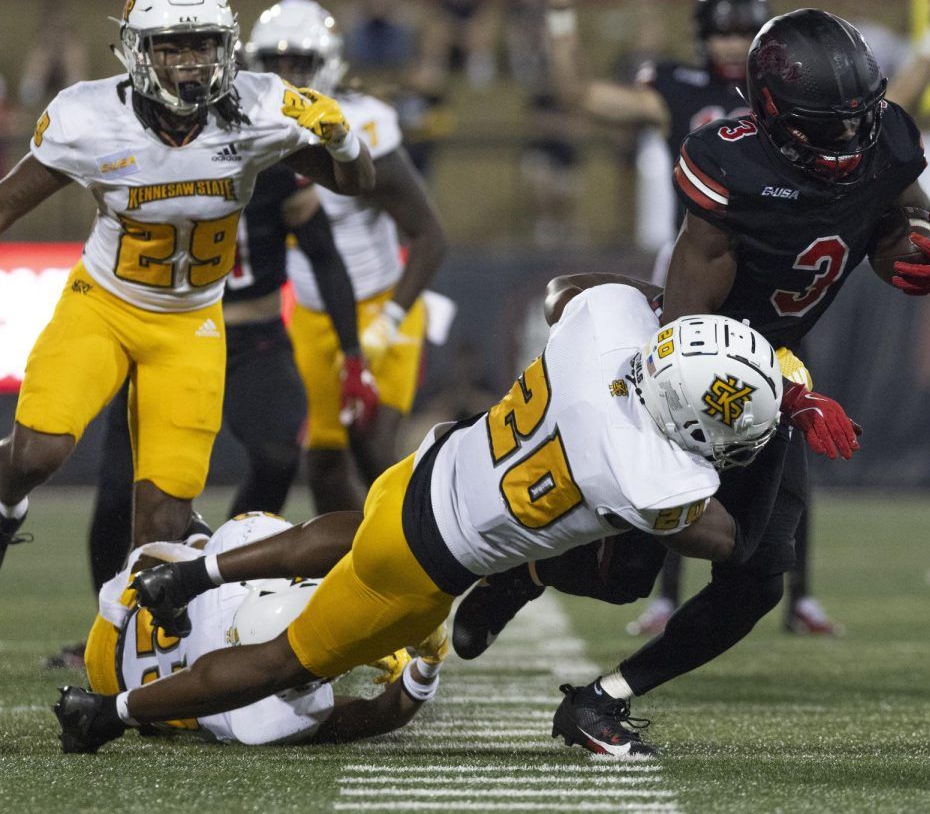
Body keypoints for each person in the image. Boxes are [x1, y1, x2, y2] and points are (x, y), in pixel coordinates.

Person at [454, 10, 930, 756]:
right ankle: (528, 566)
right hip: (693, 374)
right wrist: (790, 391)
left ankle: (601, 702)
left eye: (858, 120)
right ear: (770, 117)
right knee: (629, 573)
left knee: (760, 576)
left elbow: (895, 209)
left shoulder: (886, 136)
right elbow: (686, 339)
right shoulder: (733, 169)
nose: (849, 140)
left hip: (773, 368)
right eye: (825, 127)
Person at [52, 286, 783, 757]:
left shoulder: (609, 326)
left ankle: (194, 574)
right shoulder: (640, 471)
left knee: (348, 531)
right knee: (284, 663)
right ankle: (109, 713)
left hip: (431, 466)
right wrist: (775, 441)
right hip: (426, 565)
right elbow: (725, 539)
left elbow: (565, 296)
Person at [543, 0, 930, 638]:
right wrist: (560, 15)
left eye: (745, 30)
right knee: (679, 424)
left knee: (788, 426)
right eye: (721, 30)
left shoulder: (817, 95)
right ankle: (660, 587)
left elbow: (888, 113)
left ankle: (792, 588)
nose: (733, 43)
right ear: (701, 35)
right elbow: (580, 97)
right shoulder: (679, 92)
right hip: (702, 261)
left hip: (779, 270)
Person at [0, 0, 374, 573]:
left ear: (225, 48)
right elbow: (7, 204)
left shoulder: (260, 108)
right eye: (170, 45)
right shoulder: (88, 117)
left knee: (162, 526)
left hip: (191, 323)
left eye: (202, 44)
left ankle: (134, 654)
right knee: (38, 451)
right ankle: (3, 500)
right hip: (104, 306)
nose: (189, 61)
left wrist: (343, 142)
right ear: (136, 51)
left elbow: (356, 184)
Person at [244, 0, 447, 516]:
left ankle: (423, 558)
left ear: (327, 64)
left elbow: (429, 237)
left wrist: (389, 320)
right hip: (312, 315)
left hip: (380, 304)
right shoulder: (251, 128)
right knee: (324, 466)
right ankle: (353, 571)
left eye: (300, 64)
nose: (287, 77)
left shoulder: (362, 126)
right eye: (275, 64)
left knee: (373, 446)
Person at [77, 510, 448, 747]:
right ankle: (196, 544)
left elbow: (380, 715)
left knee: (225, 544)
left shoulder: (257, 713)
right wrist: (428, 665)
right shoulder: (258, 721)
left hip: (120, 635)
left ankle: (196, 543)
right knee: (233, 543)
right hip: (123, 655)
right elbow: (379, 715)